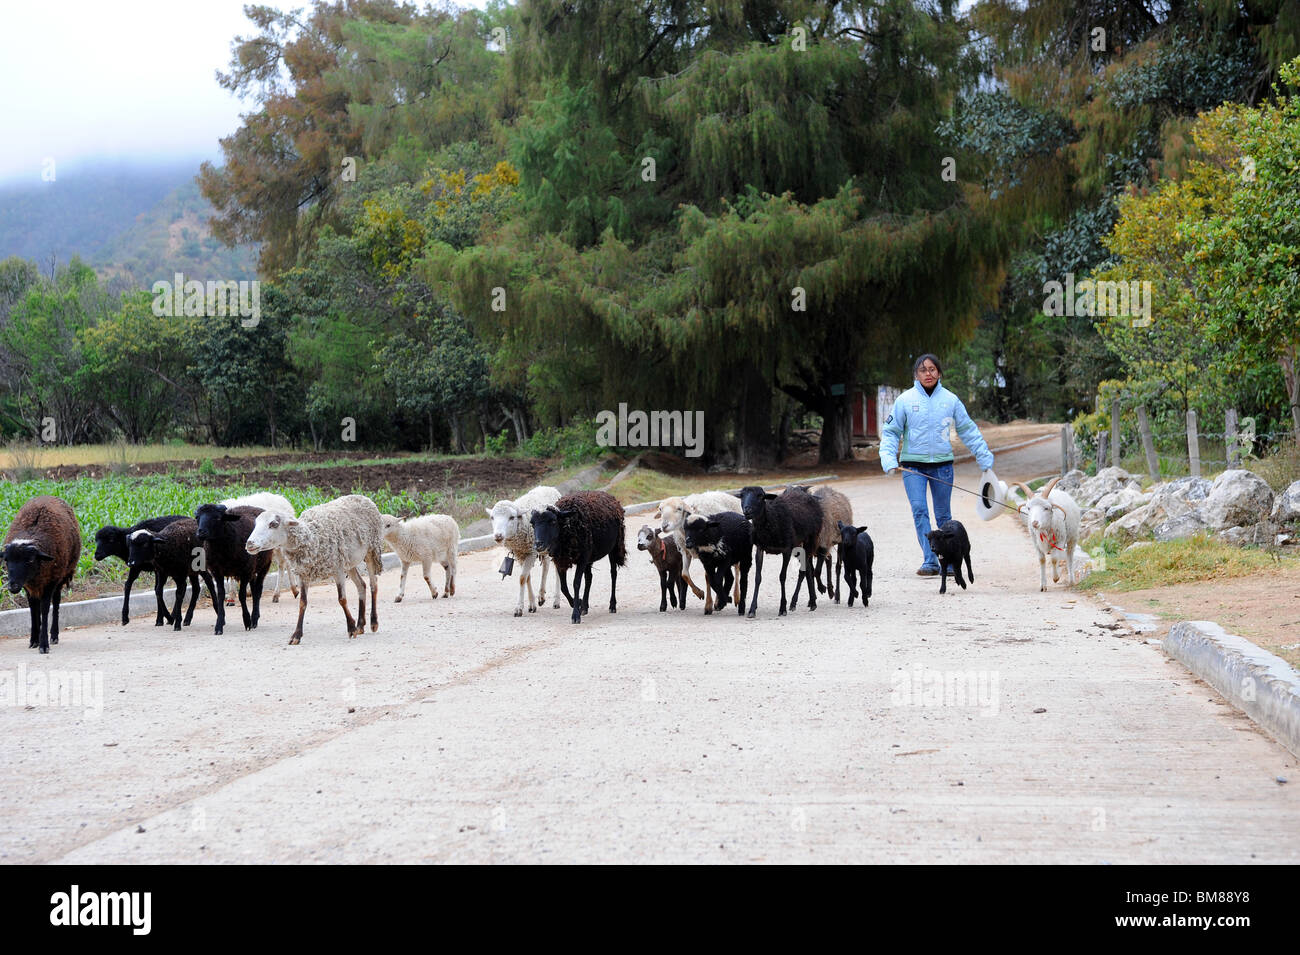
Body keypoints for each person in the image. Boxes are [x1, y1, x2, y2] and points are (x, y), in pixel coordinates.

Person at [879, 353, 994, 576]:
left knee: (943, 516)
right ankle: (930, 561)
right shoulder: (904, 400)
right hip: (912, 467)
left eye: (932, 369)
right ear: (916, 374)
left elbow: (968, 430)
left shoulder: (950, 400)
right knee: (919, 510)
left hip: (943, 467)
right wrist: (888, 458)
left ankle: (949, 562)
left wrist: (984, 457)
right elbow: (891, 432)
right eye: (923, 370)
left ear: (939, 373)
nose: (928, 373)